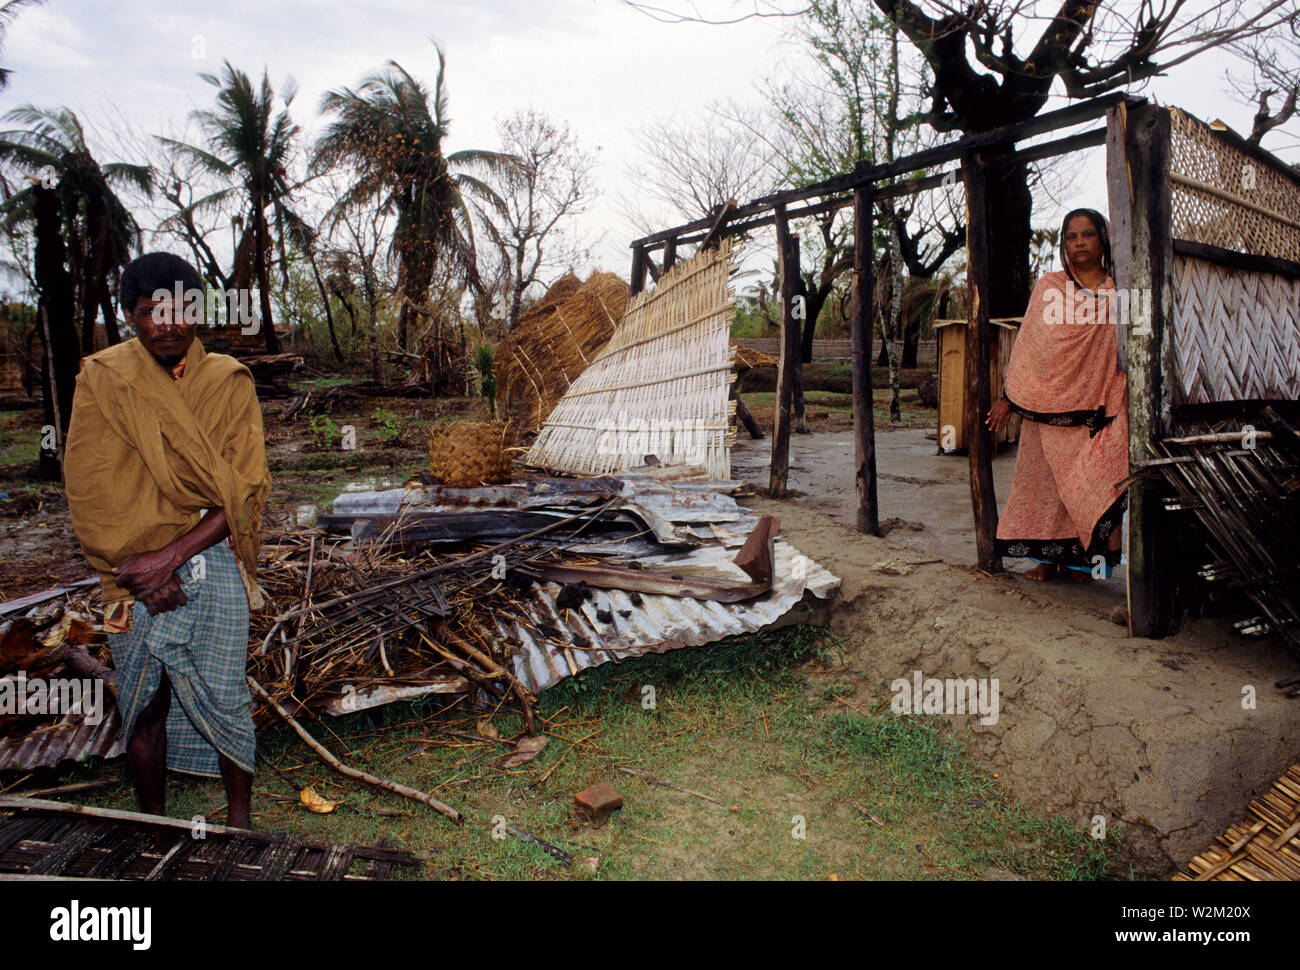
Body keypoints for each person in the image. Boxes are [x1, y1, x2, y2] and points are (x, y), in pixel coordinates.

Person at [64, 252, 270, 827]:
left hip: (210, 556)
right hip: (127, 574)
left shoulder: (227, 381)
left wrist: (170, 557)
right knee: (143, 703)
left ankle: (239, 821)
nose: (169, 324)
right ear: (130, 315)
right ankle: (153, 820)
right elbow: (91, 489)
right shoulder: (104, 378)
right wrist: (140, 570)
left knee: (227, 692)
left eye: (182, 310)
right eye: (153, 311)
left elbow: (245, 488)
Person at [985, 208, 1128, 583]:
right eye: (1071, 236)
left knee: (1085, 482)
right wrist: (1010, 397)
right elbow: (1032, 347)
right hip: (1044, 407)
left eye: (1088, 234)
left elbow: (1123, 352)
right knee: (1042, 487)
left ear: (1102, 239)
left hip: (1091, 408)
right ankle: (1046, 560)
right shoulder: (1049, 287)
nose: (1079, 242)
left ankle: (1083, 563)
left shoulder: (1118, 291)